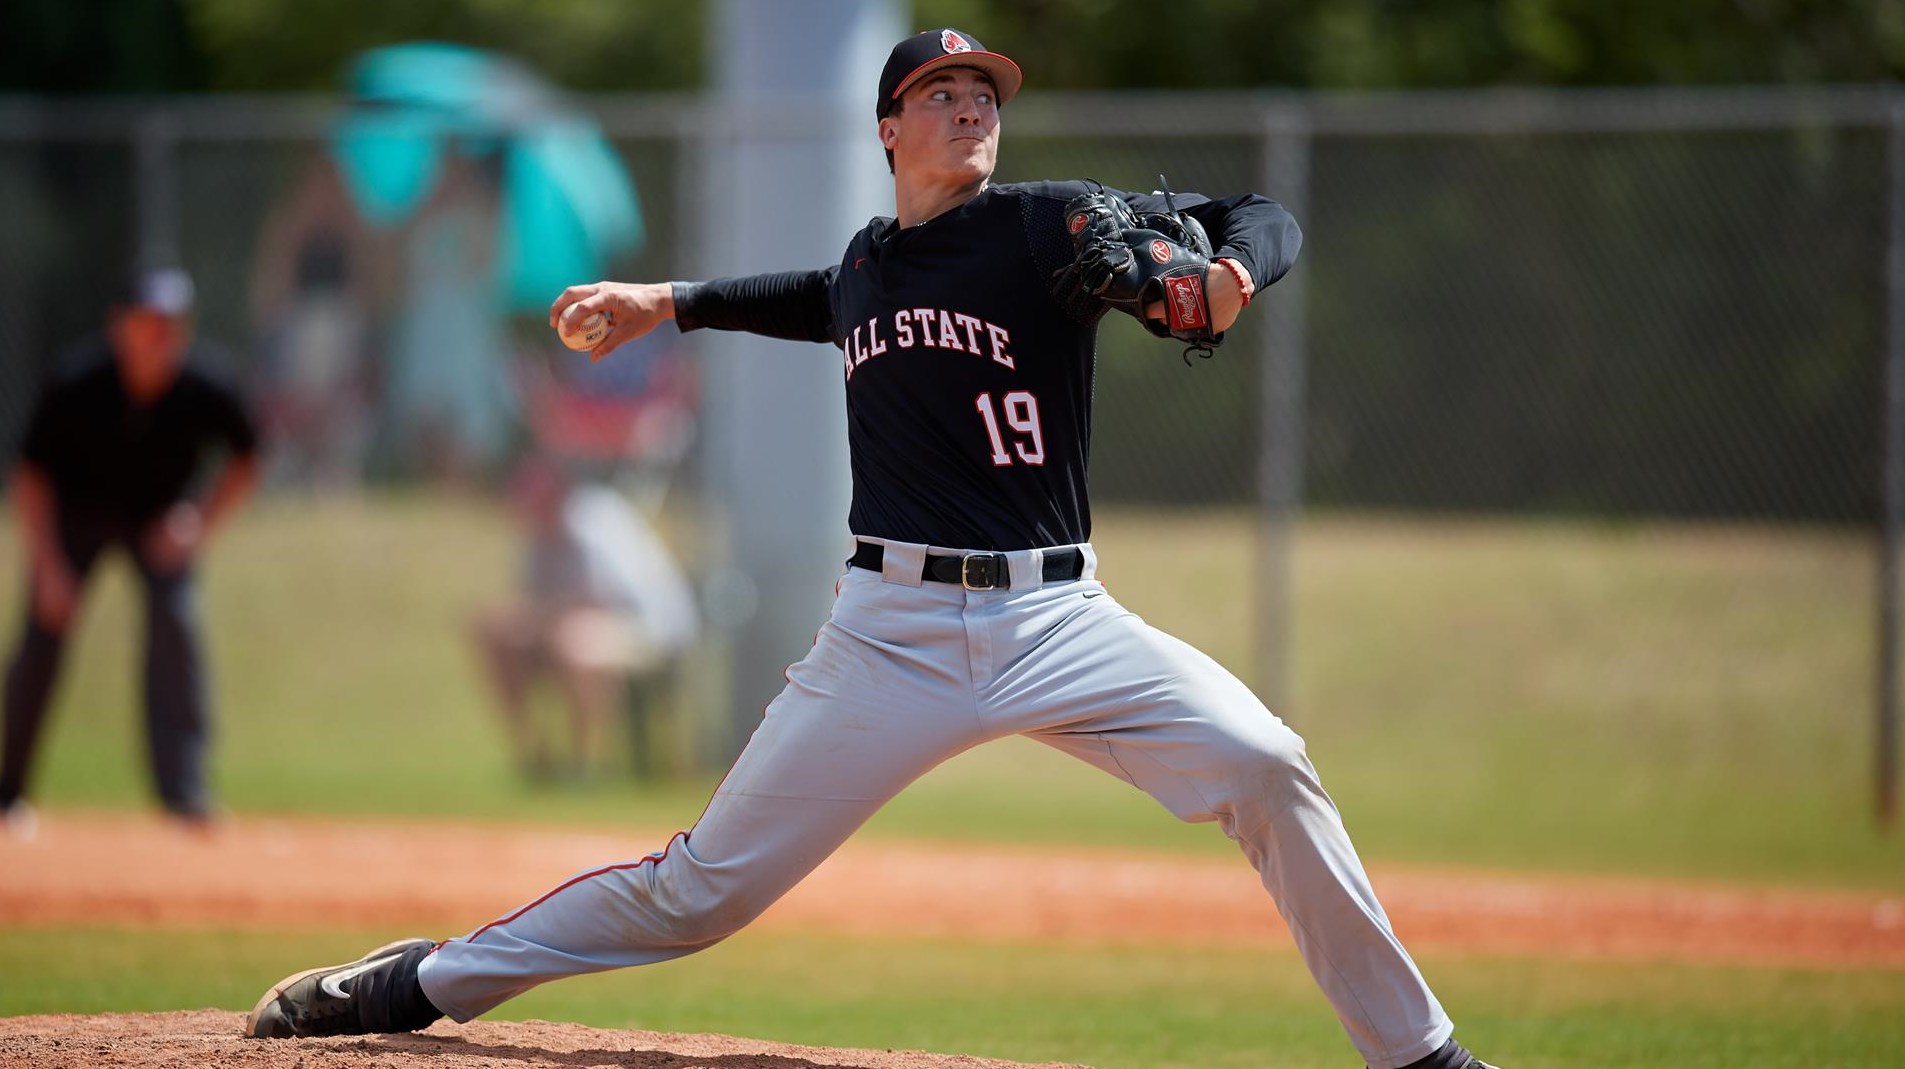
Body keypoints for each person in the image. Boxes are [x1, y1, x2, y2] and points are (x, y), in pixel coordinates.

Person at [244, 29, 1500, 1069]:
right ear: (889, 131)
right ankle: (417, 983)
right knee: (697, 893)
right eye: (938, 94)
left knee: (1266, 761)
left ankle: (1425, 1058)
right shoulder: (867, 265)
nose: (969, 108)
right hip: (886, 634)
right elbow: (817, 299)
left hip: (1060, 622)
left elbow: (1261, 209)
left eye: (982, 95)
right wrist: (663, 303)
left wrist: (1227, 268)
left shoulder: (1048, 228)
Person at [1, 267, 261, 834]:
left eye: (170, 324)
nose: (159, 336)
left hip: (158, 523)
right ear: (119, 326)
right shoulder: (76, 383)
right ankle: (7, 792)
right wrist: (47, 567)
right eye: (148, 323)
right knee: (42, 636)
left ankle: (185, 796)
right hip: (79, 517)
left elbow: (247, 460)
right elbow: (32, 477)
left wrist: (198, 524)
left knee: (177, 625)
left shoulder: (205, 385)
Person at [472, 455, 700, 781]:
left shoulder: (595, 523)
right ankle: (535, 756)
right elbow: (534, 602)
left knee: (576, 644)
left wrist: (538, 618)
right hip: (580, 629)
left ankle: (587, 762)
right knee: (498, 636)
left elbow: (603, 601)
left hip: (651, 630)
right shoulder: (538, 537)